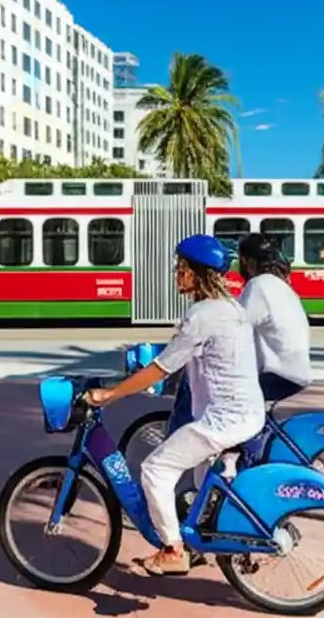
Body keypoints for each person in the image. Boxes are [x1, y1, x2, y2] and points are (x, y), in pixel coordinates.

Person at [84, 234, 265, 576]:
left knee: (156, 469)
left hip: (224, 421)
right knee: (205, 482)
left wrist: (110, 394)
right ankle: (221, 540)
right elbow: (189, 356)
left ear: (198, 273)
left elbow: (162, 367)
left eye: (181, 267)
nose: (176, 273)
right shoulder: (231, 309)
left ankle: (173, 549)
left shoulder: (202, 314)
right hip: (247, 414)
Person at [236, 233, 315, 403]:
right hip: (295, 375)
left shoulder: (258, 285)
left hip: (278, 377)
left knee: (218, 395)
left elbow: (236, 328)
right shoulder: (281, 286)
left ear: (248, 262)